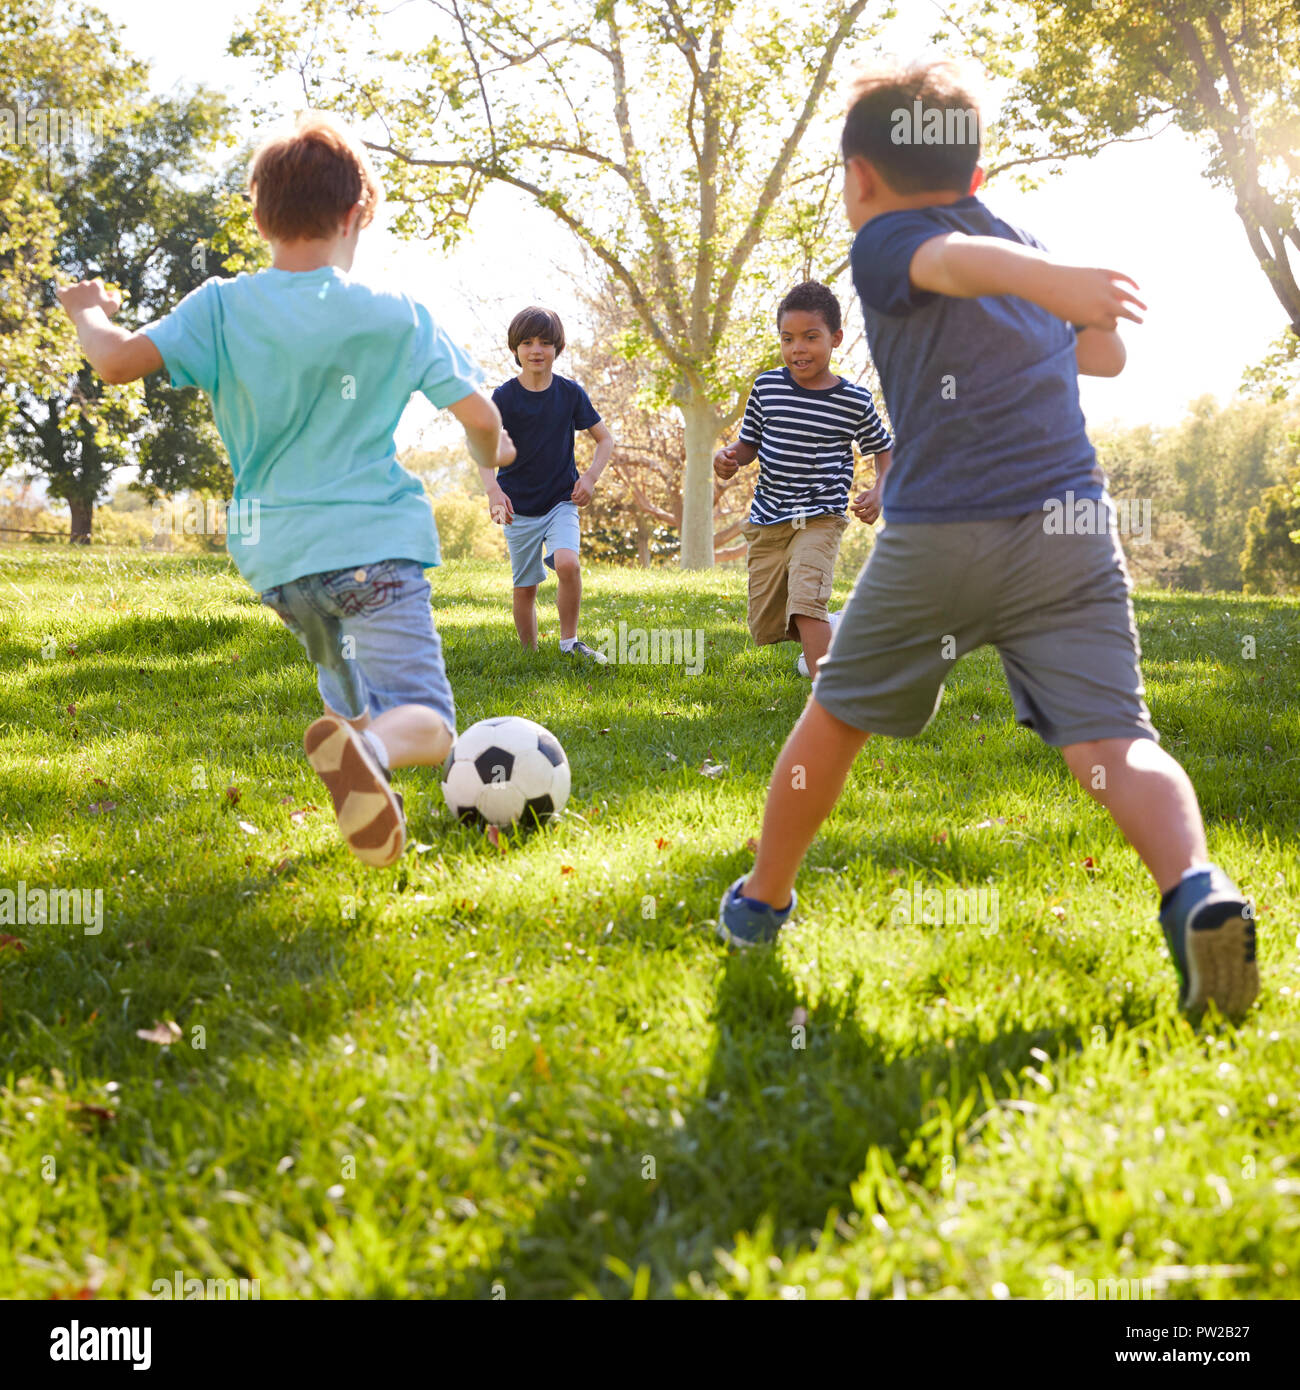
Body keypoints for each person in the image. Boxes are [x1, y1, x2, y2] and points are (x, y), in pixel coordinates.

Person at [717, 60, 1258, 1022]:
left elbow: (946, 266)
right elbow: (1104, 352)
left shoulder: (886, 240)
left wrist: (1048, 281)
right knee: (1115, 743)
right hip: (1071, 533)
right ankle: (1195, 889)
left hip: (942, 535)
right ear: (973, 175)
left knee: (836, 716)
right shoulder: (1018, 239)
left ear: (860, 178)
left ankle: (760, 902)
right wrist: (1062, 289)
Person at [55, 111, 512, 868]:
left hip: (280, 564)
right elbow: (483, 417)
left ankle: (372, 801)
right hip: (375, 552)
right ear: (356, 211)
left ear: (261, 215)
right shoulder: (396, 313)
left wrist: (87, 309)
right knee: (425, 721)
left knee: (350, 699)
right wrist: (490, 450)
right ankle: (368, 752)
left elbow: (113, 361)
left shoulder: (222, 307)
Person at [714, 280, 893, 677]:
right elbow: (748, 446)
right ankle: (841, 629)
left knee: (805, 603)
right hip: (768, 519)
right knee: (771, 622)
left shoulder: (853, 400)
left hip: (820, 517)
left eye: (811, 337)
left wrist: (880, 490)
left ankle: (826, 691)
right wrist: (727, 458)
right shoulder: (767, 387)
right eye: (788, 338)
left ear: (836, 339)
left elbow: (884, 448)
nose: (798, 348)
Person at [482, 307, 615, 661]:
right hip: (518, 507)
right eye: (527, 342)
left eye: (545, 342)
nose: (536, 349)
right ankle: (530, 655)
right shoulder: (504, 398)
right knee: (525, 588)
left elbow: (605, 440)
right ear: (515, 349)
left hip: (560, 500)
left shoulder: (570, 393)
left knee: (568, 563)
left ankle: (569, 644)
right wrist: (493, 490)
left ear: (558, 348)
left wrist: (589, 477)